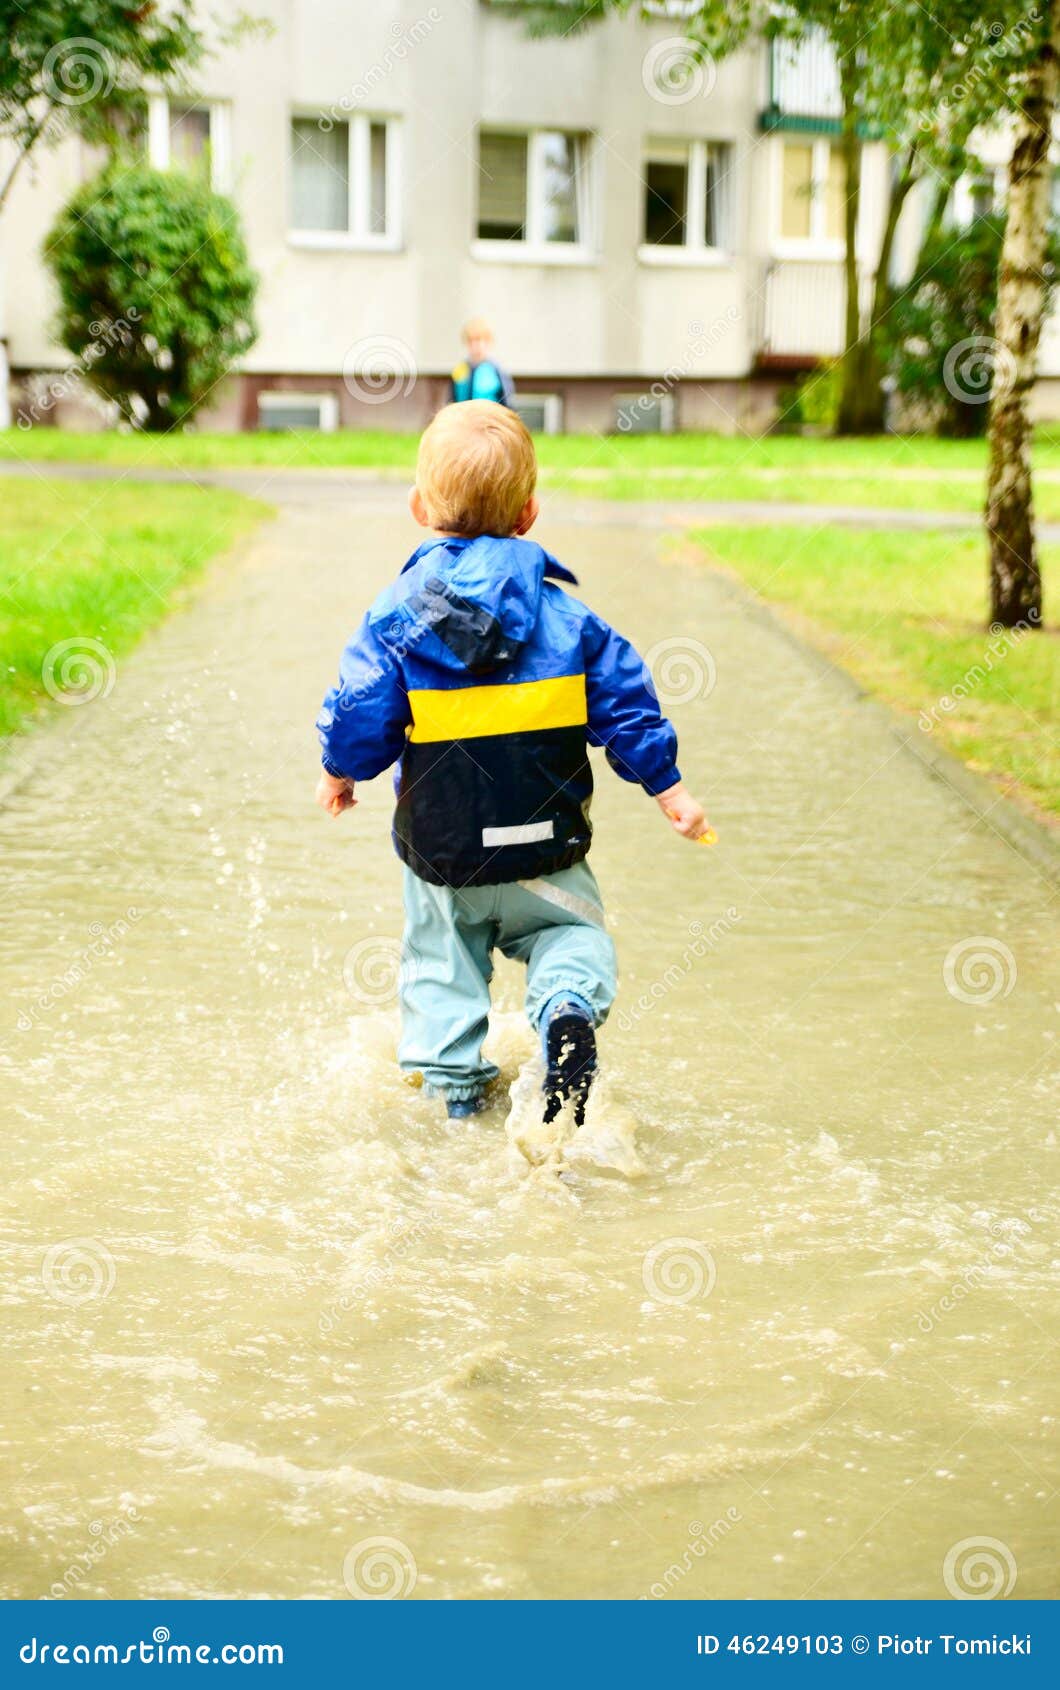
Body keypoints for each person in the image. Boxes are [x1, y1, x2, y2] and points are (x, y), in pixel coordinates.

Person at [315, 401, 710, 1126]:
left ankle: (454, 1099)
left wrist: (340, 771)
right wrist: (669, 787)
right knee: (573, 936)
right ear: (529, 514)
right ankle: (564, 1006)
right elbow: (628, 704)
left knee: (441, 969)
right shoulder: (572, 621)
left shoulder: (395, 618)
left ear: (418, 507)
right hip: (546, 854)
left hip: (446, 858)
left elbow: (360, 706)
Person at [450, 317, 513, 407]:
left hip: (488, 418)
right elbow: (452, 398)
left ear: (488, 341)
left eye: (478, 340)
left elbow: (507, 402)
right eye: (470, 341)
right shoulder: (460, 369)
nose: (475, 345)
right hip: (464, 418)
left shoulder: (496, 370)